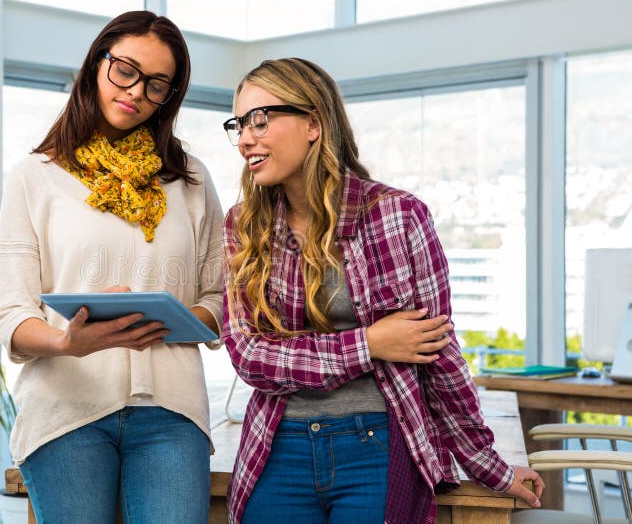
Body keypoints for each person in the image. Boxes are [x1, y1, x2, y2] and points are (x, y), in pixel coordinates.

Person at [220, 57, 544, 524]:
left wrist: (486, 466)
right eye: (239, 124)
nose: (246, 137)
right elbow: (251, 358)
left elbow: (438, 355)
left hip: (378, 444)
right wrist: (371, 343)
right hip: (276, 446)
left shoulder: (396, 215)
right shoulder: (242, 226)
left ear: (313, 123)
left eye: (260, 119)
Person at [0, 11, 224, 523]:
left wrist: (173, 321)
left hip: (172, 411)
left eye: (157, 84)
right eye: (125, 70)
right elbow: (11, 314)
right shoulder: (37, 176)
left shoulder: (190, 180)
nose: (137, 91)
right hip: (65, 410)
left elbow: (221, 297)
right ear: (97, 65)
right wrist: (65, 342)